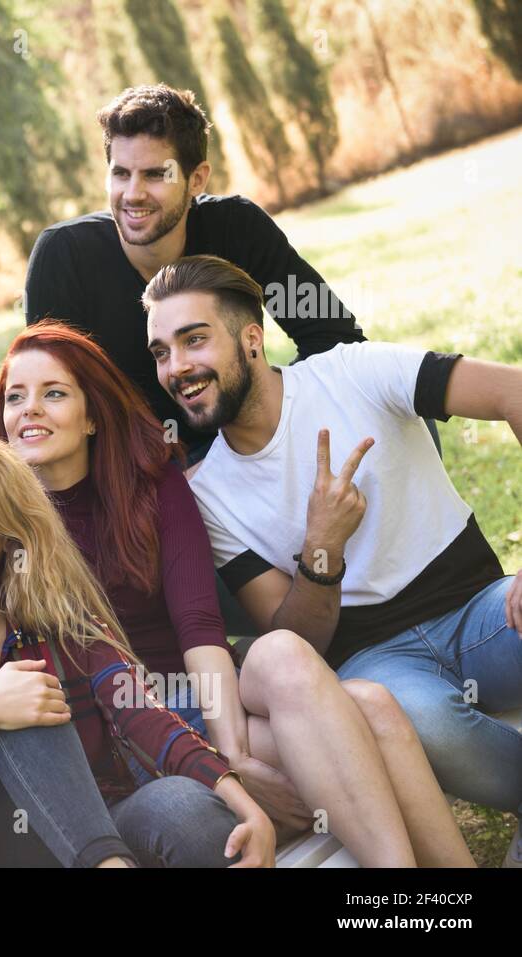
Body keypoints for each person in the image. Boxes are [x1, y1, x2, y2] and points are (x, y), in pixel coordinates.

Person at [0, 320, 475, 866]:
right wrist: (222, 767)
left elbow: (198, 623)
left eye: (53, 393)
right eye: (15, 397)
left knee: (330, 682)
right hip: (128, 731)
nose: (30, 408)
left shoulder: (148, 484)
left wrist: (231, 754)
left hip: (206, 701)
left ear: (91, 417)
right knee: (365, 716)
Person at [144, 253, 522, 867]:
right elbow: (296, 641)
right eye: (161, 351)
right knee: (422, 719)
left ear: (251, 339)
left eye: (193, 340)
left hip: (482, 612)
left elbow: (513, 391)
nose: (177, 367)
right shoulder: (205, 491)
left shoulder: (353, 372)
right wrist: (322, 549)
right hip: (378, 663)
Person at [0, 435, 276, 867]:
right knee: (19, 702)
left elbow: (147, 718)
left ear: (10, 534)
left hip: (103, 825)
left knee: (186, 810)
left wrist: (243, 802)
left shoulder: (63, 626)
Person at [23, 83, 365, 458]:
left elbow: (334, 339)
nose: (133, 194)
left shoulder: (238, 228)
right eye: (121, 174)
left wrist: (267, 426)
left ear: (197, 179)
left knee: (385, 403)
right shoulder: (64, 257)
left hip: (249, 449)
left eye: (155, 175)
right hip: (140, 477)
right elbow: (53, 405)